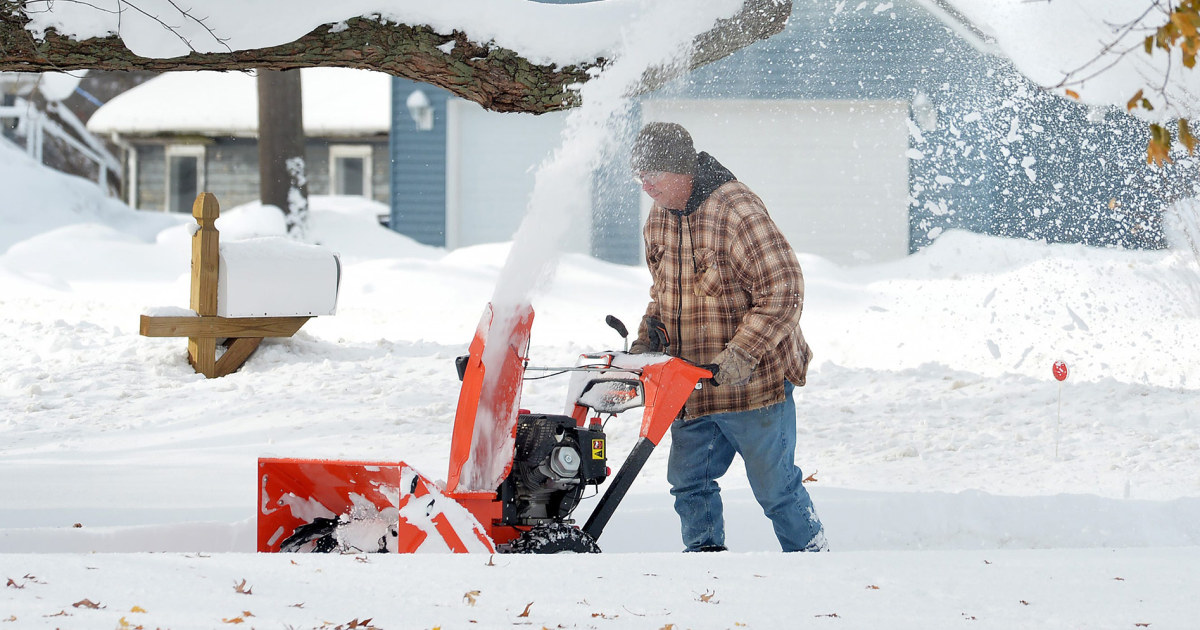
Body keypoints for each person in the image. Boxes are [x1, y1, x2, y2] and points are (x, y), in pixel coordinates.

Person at [628, 122, 826, 553]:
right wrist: (648, 337)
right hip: (692, 384)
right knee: (689, 485)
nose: (646, 186)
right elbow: (662, 291)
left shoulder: (736, 211)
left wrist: (741, 354)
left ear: (681, 169)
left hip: (754, 385)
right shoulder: (658, 218)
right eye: (639, 175)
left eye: (653, 174)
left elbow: (785, 289)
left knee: (776, 489)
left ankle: (813, 560)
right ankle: (706, 568)